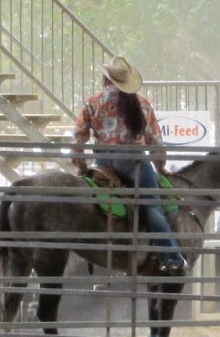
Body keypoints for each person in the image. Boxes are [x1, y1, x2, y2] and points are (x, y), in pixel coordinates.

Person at [71, 56, 187, 275]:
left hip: (103, 163)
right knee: (152, 207)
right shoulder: (141, 104)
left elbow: (78, 139)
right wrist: (160, 165)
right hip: (134, 163)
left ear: (105, 79)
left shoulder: (92, 103)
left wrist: (80, 166)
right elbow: (155, 141)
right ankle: (170, 257)